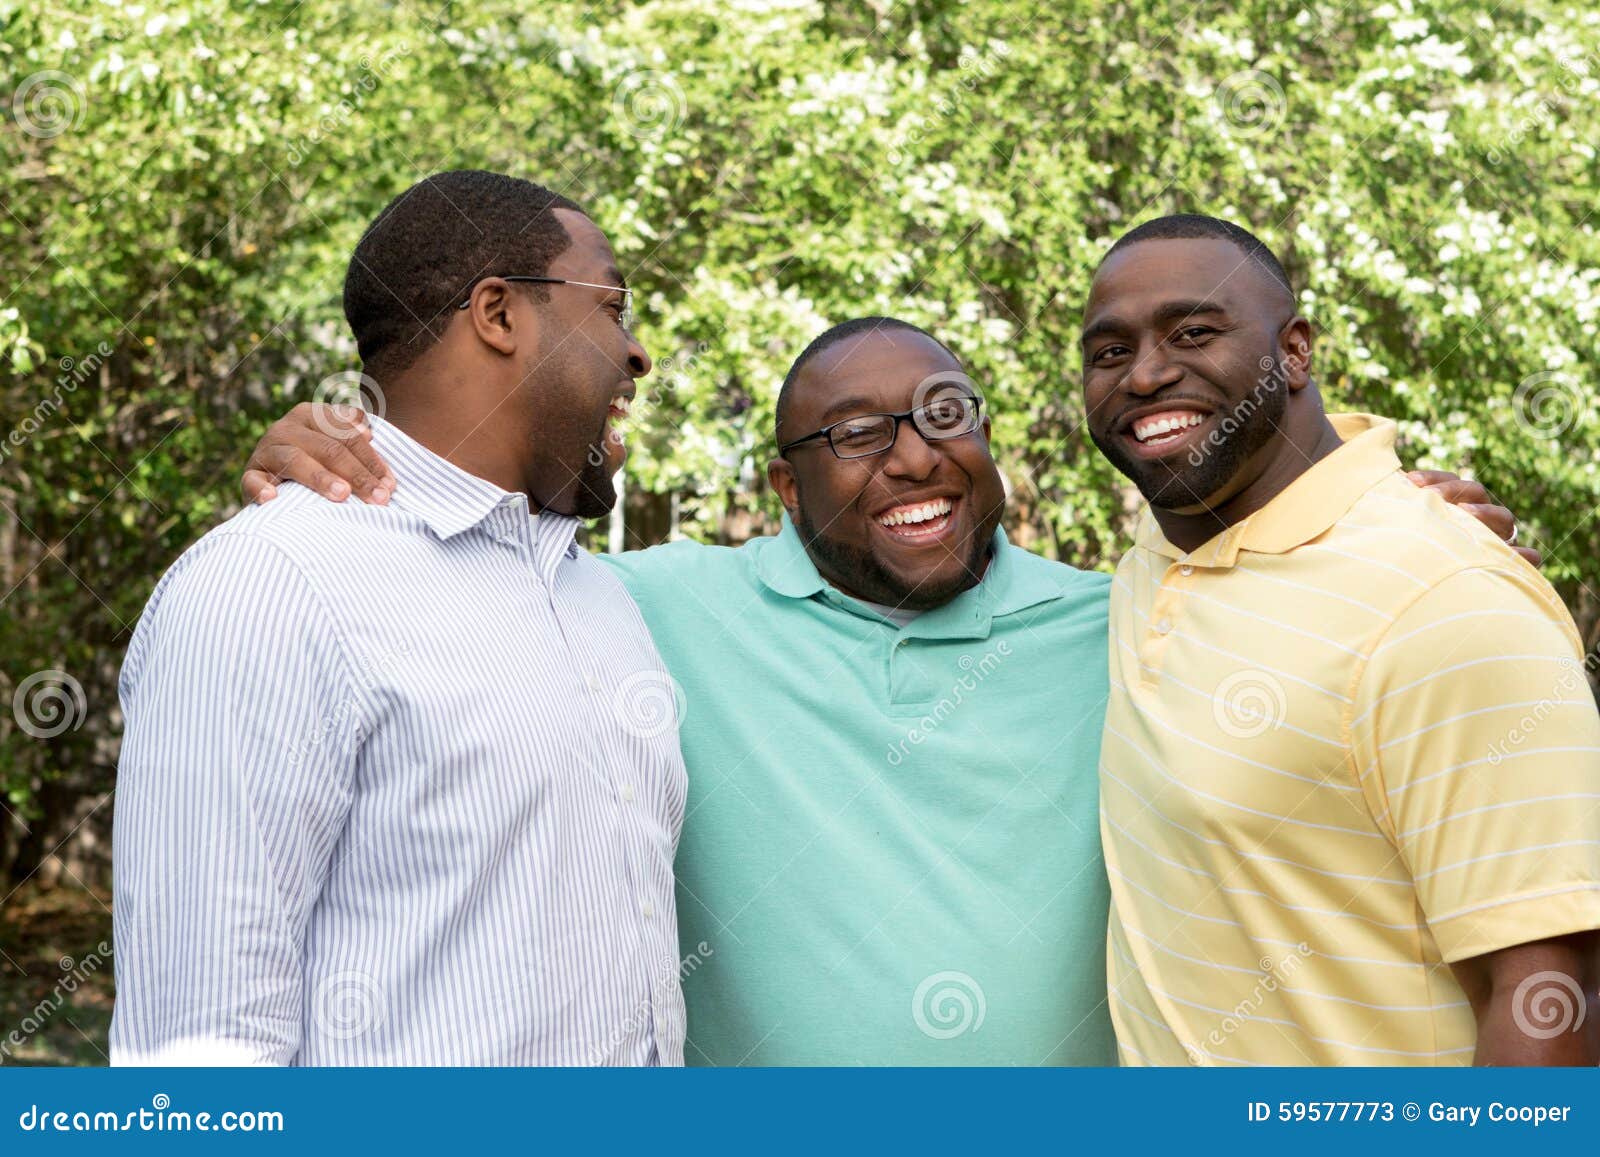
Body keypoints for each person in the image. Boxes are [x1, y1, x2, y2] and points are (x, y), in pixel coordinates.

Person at [239, 306, 1526, 1064]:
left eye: (944, 414)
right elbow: (427, 582)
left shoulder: (1135, 614)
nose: (912, 457)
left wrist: (1415, 520)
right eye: (854, 436)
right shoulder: (638, 608)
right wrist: (331, 464)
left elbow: (1324, 594)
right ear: (785, 487)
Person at [112, 171, 689, 1065]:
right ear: (498, 314)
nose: (638, 352)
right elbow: (200, 1051)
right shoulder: (272, 586)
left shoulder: (603, 596)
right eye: (613, 307)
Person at [1082, 213, 1600, 1065]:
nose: (1145, 372)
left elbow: (1543, 999)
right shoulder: (1160, 556)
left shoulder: (1448, 601)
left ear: (1293, 352)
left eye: (1194, 331)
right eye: (1109, 351)